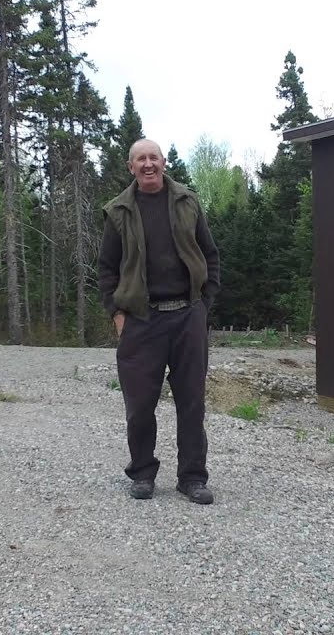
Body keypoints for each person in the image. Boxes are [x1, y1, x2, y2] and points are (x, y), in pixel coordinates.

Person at [98, 138, 221, 504]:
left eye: (153, 157)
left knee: (192, 403)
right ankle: (142, 473)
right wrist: (117, 313)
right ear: (130, 167)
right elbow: (106, 269)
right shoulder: (118, 211)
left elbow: (210, 255)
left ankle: (192, 477)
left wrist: (204, 305)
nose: (148, 164)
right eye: (140, 159)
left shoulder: (188, 202)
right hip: (141, 320)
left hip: (188, 316)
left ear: (164, 162)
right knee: (139, 406)